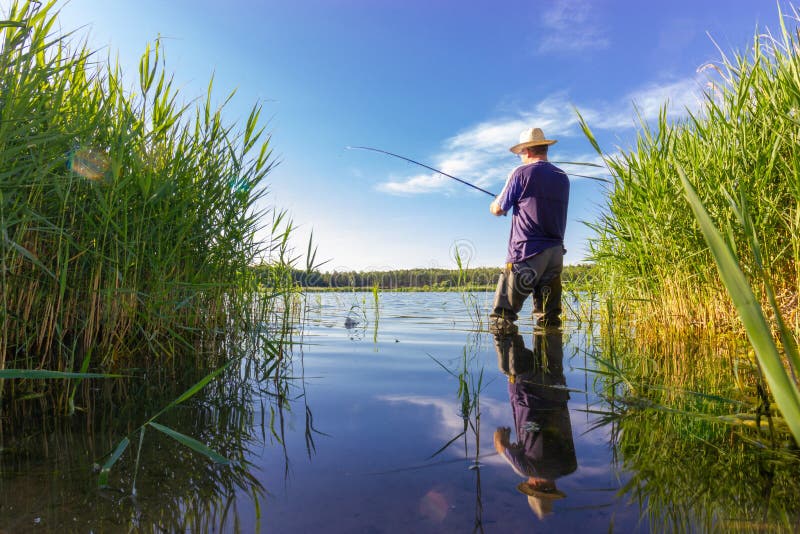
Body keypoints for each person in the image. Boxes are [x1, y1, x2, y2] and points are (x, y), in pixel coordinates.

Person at [489, 127, 569, 334]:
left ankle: (513, 365)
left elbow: (498, 209)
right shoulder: (562, 176)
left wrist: (494, 203)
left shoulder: (521, 173)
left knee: (502, 318)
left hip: (526, 253)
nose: (519, 157)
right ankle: (550, 364)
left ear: (528, 150)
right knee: (549, 320)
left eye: (520, 153)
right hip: (555, 255)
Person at [493, 332, 577, 520]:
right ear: (534, 486)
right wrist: (505, 439)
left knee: (548, 326)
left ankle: (545, 305)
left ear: (554, 488)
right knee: (505, 332)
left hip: (556, 388)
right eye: (529, 485)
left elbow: (545, 441)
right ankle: (504, 315)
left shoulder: (570, 466)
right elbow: (499, 443)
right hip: (527, 389)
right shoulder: (525, 469)